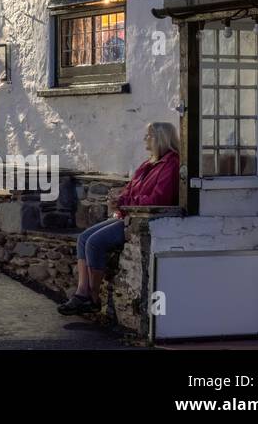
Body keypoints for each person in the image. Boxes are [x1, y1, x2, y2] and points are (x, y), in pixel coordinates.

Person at [58, 121, 180, 316]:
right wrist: (119, 199)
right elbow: (130, 189)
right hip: (126, 214)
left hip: (140, 219)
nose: (144, 139)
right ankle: (82, 292)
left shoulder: (171, 164)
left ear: (160, 138)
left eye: (148, 135)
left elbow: (159, 199)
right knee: (82, 239)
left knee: (94, 243)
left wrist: (125, 201)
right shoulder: (147, 164)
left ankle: (94, 298)